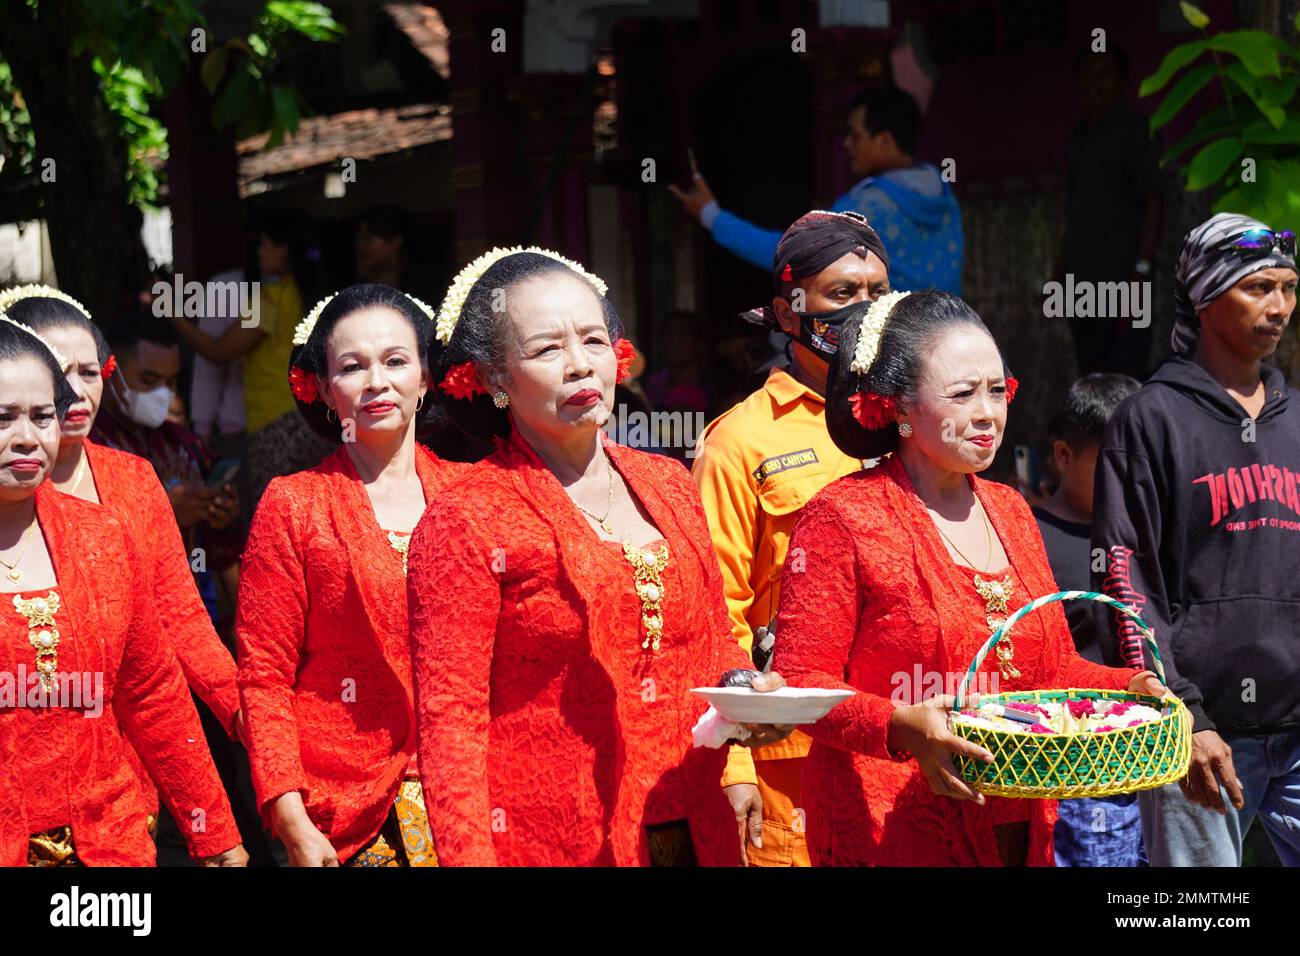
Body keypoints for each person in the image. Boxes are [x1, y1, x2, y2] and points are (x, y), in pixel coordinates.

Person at [408, 247, 793, 866]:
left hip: (694, 821)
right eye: (546, 350)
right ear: (497, 379)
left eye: (592, 340)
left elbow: (714, 638)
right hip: (554, 841)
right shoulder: (465, 518)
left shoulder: (669, 482)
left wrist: (746, 689)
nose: (579, 365)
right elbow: (449, 724)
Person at [770, 290, 1159, 866]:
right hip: (891, 832)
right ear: (898, 406)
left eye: (998, 390)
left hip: (1020, 822)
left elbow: (1049, 671)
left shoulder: (1011, 509)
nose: (988, 413)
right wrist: (904, 725)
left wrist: (1126, 685)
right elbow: (801, 684)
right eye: (962, 394)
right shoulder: (843, 516)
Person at [1091, 213, 1300, 867]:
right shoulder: (1151, 420)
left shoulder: (1298, 422)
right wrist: (1182, 716)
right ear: (1207, 297)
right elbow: (1126, 581)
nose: (1280, 307)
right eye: (1259, 288)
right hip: (1199, 732)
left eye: (1289, 288)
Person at [0, 313, 245, 866]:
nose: (27, 437)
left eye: (42, 415)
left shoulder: (103, 529)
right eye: (3, 416)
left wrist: (218, 835)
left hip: (112, 837)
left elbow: (155, 688)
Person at [237, 283, 467, 867]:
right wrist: (288, 814)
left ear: (425, 377)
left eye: (395, 361)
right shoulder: (293, 505)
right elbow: (264, 677)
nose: (376, 382)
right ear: (321, 389)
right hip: (344, 812)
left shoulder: (473, 497)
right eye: (351, 367)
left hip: (470, 797)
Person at [691, 210, 890, 866]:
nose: (863, 311)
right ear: (786, 309)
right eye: (841, 295)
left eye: (877, 295)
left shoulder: (909, 420)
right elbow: (717, 614)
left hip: (904, 739)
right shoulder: (739, 442)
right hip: (792, 755)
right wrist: (734, 764)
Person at [672, 86, 962, 294]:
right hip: (941, 338)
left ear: (884, 140)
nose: (846, 144)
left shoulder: (868, 205)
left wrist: (712, 217)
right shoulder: (945, 196)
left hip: (893, 351)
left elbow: (791, 253)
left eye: (854, 135)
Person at [1031, 373, 1143, 867]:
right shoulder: (1029, 541)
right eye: (1110, 466)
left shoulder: (1150, 537)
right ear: (1062, 455)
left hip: (1152, 755)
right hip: (1075, 770)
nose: (1129, 482)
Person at [163, 210, 333, 512]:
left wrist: (174, 316)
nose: (259, 252)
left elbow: (219, 351)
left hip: (274, 423)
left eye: (264, 245)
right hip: (306, 418)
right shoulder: (300, 294)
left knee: (270, 515)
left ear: (281, 252)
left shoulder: (268, 300)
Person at [1060, 46, 1164, 378]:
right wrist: (1058, 270)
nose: (1093, 83)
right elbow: (1075, 211)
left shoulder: (1138, 132)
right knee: (1090, 373)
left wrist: (1141, 269)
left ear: (1121, 83)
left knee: (1127, 374)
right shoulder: (1078, 136)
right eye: (1087, 75)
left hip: (1125, 279)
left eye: (1103, 75)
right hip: (1081, 281)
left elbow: (1154, 201)